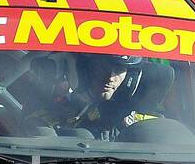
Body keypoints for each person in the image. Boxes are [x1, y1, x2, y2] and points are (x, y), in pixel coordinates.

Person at [23, 53, 162, 139]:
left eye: (119, 70)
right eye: (103, 68)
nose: (110, 77)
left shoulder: (141, 121)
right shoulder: (51, 115)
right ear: (84, 71)